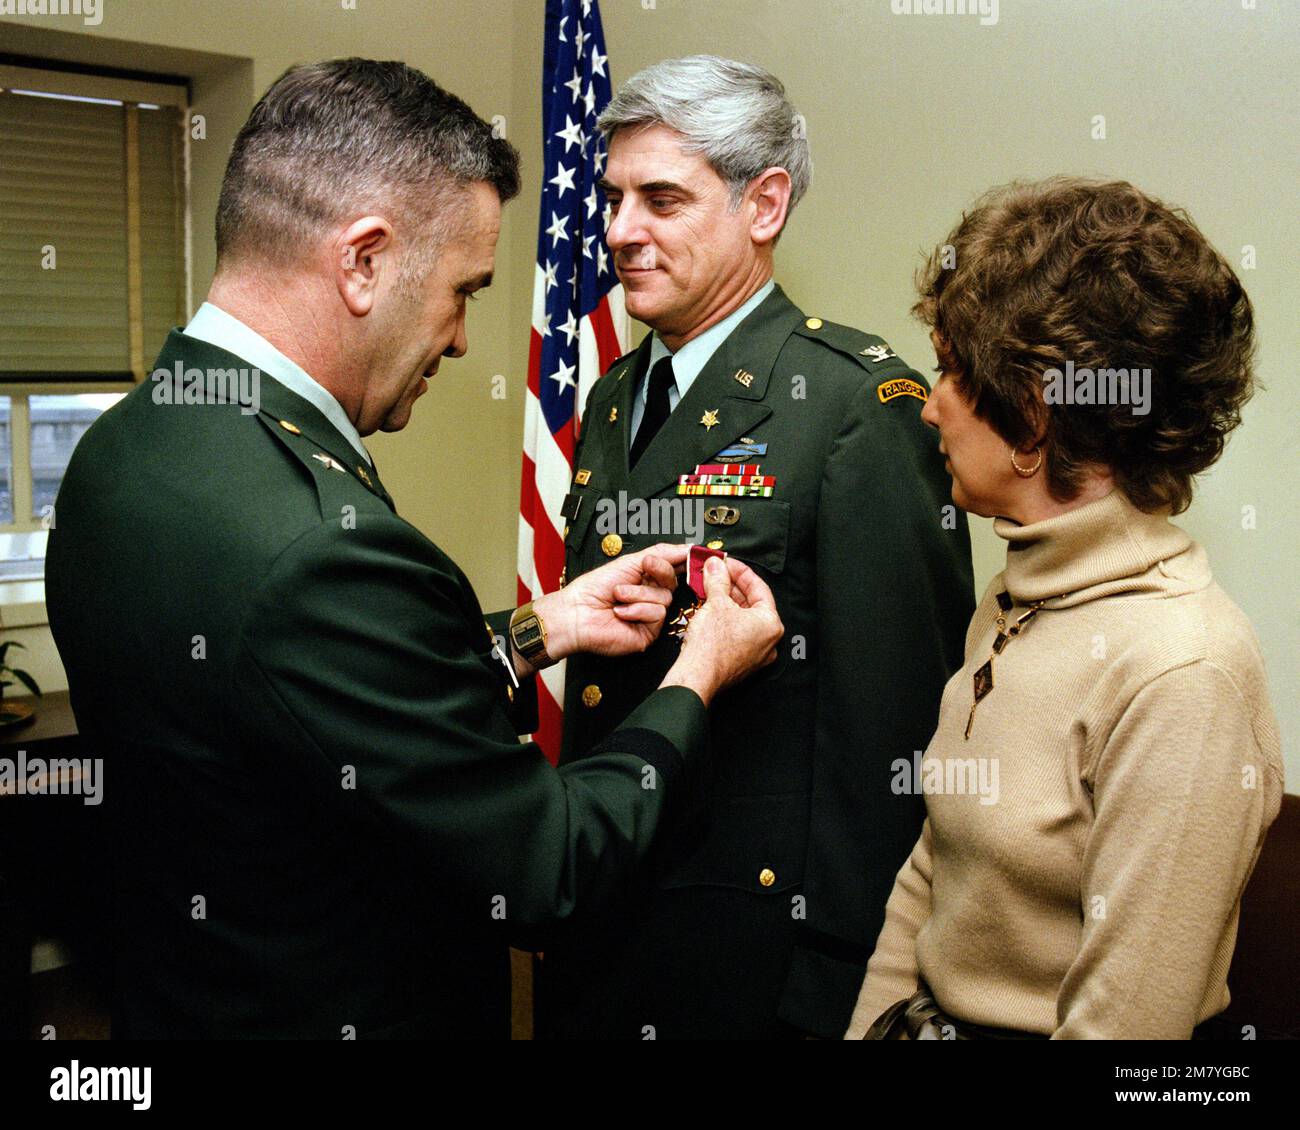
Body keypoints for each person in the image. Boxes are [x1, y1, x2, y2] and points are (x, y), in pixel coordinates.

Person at [44, 58, 782, 1040]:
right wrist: (696, 673)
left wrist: (535, 630)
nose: (464, 340)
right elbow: (546, 867)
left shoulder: (126, 446)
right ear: (363, 261)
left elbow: (296, 696)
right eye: (462, 289)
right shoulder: (315, 539)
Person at [539, 55, 973, 1040]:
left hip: (749, 954)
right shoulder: (614, 395)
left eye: (660, 198)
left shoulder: (856, 405)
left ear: (763, 204)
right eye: (611, 197)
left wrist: (834, 991)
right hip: (606, 910)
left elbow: (892, 746)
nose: (618, 231)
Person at [845, 176, 1284, 1040]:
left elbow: (1127, 1034)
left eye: (949, 369)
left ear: (1036, 415)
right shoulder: (1017, 598)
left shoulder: (1185, 674)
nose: (927, 403)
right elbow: (933, 876)